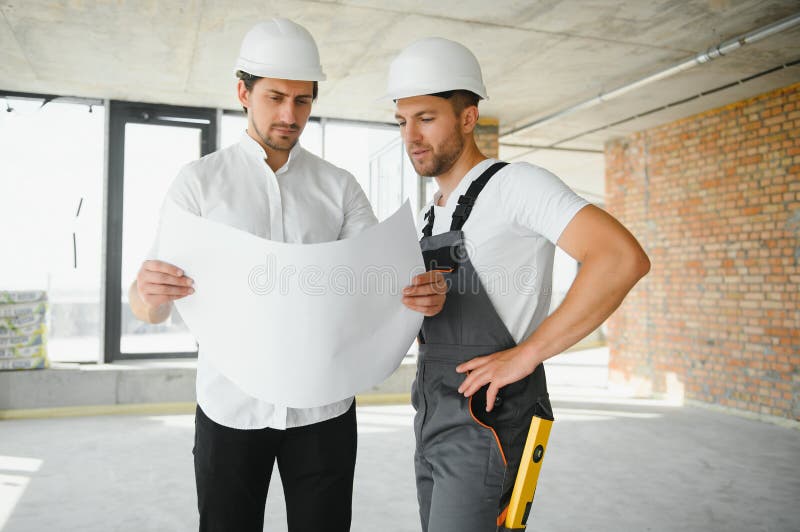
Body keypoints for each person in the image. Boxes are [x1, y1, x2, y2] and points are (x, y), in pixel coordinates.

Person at [129, 19, 446, 532]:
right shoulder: (199, 184)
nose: (288, 114)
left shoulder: (339, 187)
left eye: (302, 101)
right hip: (230, 408)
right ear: (243, 92)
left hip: (323, 409)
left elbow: (380, 280)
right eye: (275, 97)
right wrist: (147, 296)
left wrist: (417, 296)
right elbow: (150, 302)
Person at [385, 37, 651, 532]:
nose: (411, 136)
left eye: (426, 118)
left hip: (488, 420)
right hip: (432, 412)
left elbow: (620, 258)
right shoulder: (431, 215)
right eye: (402, 121)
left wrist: (528, 353)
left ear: (468, 117)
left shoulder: (517, 185)